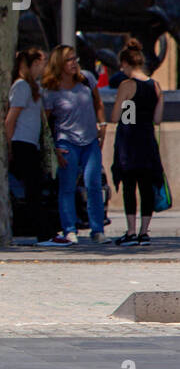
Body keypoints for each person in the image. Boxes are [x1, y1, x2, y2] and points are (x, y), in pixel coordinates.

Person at [40, 45, 107, 245]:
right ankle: (69, 229)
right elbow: (45, 123)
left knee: (93, 184)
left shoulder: (86, 79)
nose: (74, 63)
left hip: (90, 141)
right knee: (67, 187)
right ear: (59, 63)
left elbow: (98, 103)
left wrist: (103, 125)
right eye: (69, 60)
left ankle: (98, 229)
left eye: (75, 59)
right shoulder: (51, 90)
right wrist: (53, 149)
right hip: (67, 142)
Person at [110, 39, 165, 246]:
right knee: (146, 187)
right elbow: (157, 119)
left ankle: (131, 231)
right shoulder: (156, 86)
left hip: (129, 141)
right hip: (147, 141)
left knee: (129, 187)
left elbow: (117, 116)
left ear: (125, 63)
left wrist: (127, 110)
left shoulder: (126, 85)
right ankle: (144, 232)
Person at [6, 47, 47, 235]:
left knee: (35, 188)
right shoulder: (21, 86)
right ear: (35, 64)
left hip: (30, 143)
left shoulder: (33, 86)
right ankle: (39, 231)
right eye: (42, 63)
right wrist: (9, 147)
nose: (44, 67)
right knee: (32, 188)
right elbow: (11, 119)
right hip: (21, 142)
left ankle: (38, 229)